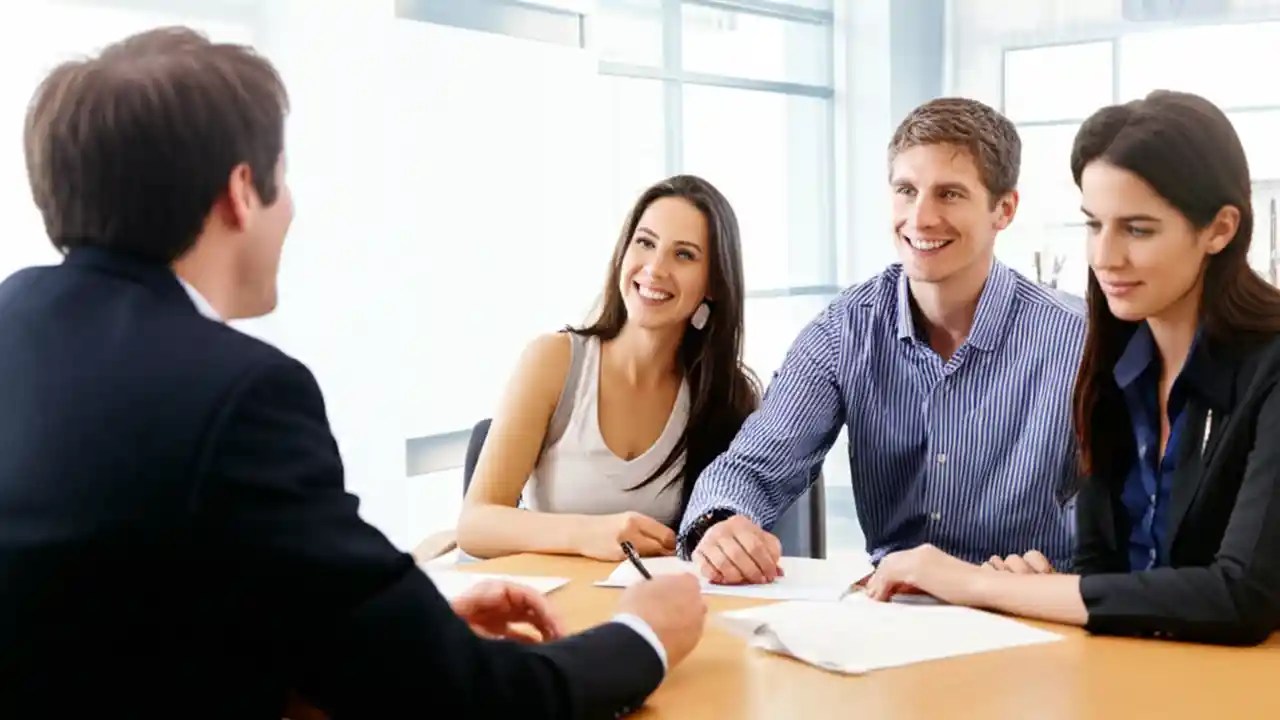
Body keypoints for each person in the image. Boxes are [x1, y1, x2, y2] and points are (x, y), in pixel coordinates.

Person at [0, 26, 706, 718]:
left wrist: (396, 634)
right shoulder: (239, 394)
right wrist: (641, 637)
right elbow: (468, 701)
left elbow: (116, 621)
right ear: (242, 192)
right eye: (284, 179)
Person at [865, 90, 1280, 646]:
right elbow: (1101, 566)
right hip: (1130, 675)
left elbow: (1241, 596)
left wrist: (981, 585)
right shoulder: (1116, 356)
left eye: (1137, 229)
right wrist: (1044, 589)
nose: (1105, 257)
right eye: (1093, 225)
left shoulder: (1269, 366)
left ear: (1220, 229)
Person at [678, 97, 1087, 585]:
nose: (921, 217)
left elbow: (1126, 521)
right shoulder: (845, 330)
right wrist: (720, 525)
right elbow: (753, 466)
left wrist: (1065, 573)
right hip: (895, 614)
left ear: (1004, 209)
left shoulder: (1075, 338)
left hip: (1033, 614)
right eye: (906, 190)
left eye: (950, 194)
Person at [456, 176, 761, 562]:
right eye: (645, 243)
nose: (654, 268)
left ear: (714, 284)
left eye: (683, 254)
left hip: (652, 610)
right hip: (551, 609)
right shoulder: (554, 360)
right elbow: (475, 524)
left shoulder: (726, 396)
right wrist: (587, 533)